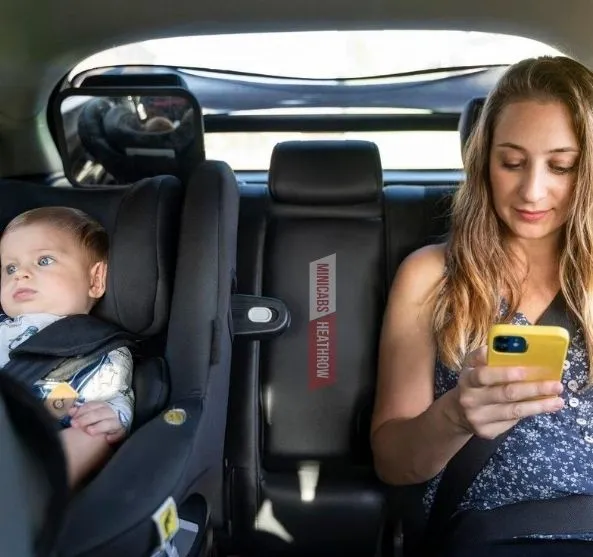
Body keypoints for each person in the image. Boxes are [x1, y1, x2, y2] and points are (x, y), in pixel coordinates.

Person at [371, 55, 593, 555]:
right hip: (492, 535)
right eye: (511, 162)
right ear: (483, 161)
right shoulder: (432, 276)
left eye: (562, 166)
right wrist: (455, 416)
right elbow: (391, 460)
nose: (532, 190)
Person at [0, 206, 134, 489]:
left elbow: (112, 394)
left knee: (92, 436)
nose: (20, 274)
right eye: (10, 267)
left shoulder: (97, 349)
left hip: (33, 442)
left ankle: (27, 495)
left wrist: (115, 414)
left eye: (44, 260)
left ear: (96, 280)